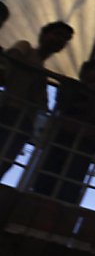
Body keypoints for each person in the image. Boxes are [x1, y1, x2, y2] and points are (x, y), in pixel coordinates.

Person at [32, 59, 95, 203]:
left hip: (85, 145)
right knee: (47, 177)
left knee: (71, 184)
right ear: (85, 72)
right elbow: (66, 104)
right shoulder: (71, 85)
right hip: (63, 138)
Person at [1, 21, 74, 179]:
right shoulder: (25, 47)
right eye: (57, 35)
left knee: (5, 160)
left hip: (23, 120)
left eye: (65, 39)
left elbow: (42, 105)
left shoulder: (42, 71)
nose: (60, 40)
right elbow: (9, 61)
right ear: (43, 34)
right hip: (8, 110)